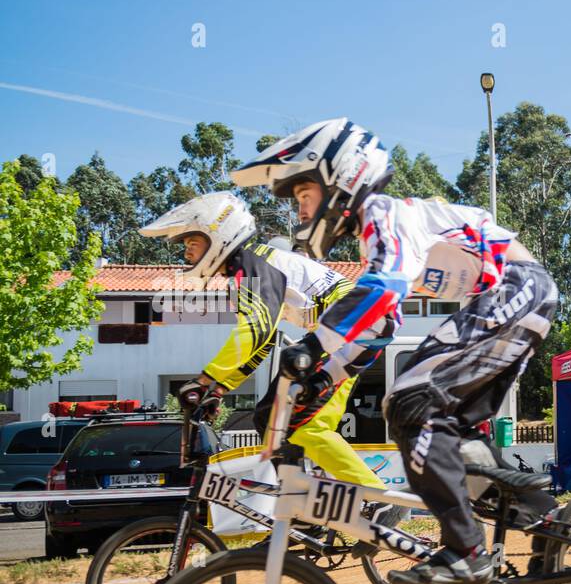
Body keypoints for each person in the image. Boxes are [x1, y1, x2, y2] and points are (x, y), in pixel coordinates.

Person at [232, 118, 558, 584]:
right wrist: (327, 378)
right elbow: (382, 324)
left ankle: (466, 551)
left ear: (340, 181)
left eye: (304, 196)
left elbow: (380, 292)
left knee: (411, 400)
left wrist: (313, 346)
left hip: (519, 287)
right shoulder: (379, 234)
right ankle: (548, 523)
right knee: (452, 440)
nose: (301, 213)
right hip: (510, 299)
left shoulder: (385, 214)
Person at [140, 192, 387, 491]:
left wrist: (206, 379)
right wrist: (220, 388)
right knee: (267, 420)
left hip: (350, 327)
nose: (187, 254)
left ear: (218, 237)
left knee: (307, 426)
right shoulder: (246, 270)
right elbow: (264, 341)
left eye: (192, 243)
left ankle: (377, 498)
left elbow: (256, 329)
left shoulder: (252, 263)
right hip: (340, 329)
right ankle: (299, 509)